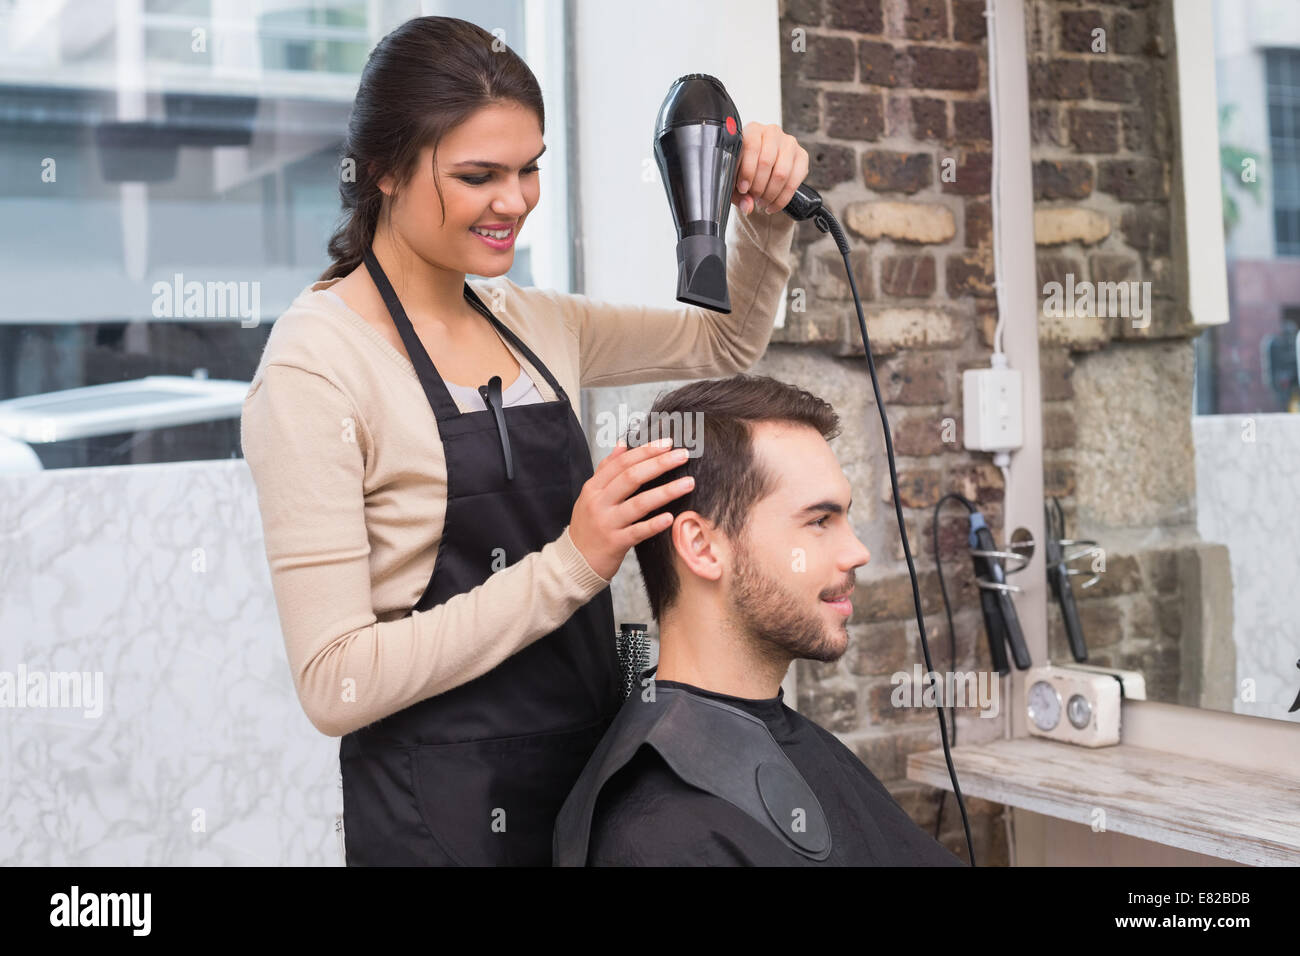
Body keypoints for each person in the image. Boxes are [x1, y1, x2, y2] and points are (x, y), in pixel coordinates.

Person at [239, 16, 808, 865]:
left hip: (588, 783)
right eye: (479, 175)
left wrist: (762, 221)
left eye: (530, 169)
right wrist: (573, 561)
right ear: (385, 171)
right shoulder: (316, 365)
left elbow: (723, 346)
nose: (515, 200)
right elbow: (335, 679)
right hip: (437, 820)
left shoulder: (532, 322)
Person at [553, 375, 966, 866]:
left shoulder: (791, 739)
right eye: (819, 521)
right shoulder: (661, 833)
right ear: (703, 547)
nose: (857, 552)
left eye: (845, 518)